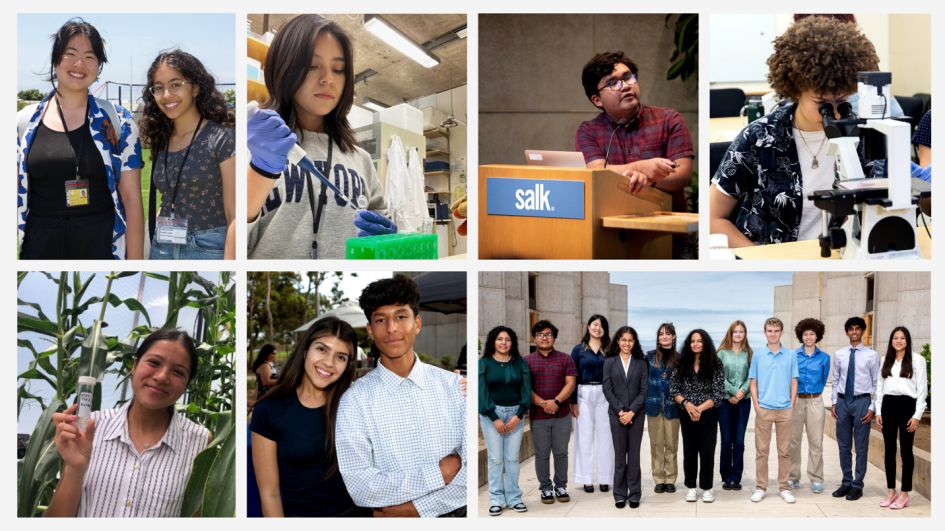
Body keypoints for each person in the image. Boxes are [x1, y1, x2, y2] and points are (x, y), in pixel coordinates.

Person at [710, 16, 880, 247]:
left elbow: (862, 212)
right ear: (796, 89)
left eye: (841, 101)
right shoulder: (759, 137)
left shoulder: (856, 135)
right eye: (821, 103)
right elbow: (713, 218)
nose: (833, 114)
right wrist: (762, 262)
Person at [246, 14, 396, 260]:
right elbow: (228, 247)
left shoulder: (362, 161)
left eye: (338, 69)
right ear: (283, 68)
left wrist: (388, 242)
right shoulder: (253, 150)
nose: (328, 78)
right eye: (313, 66)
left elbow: (384, 231)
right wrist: (259, 172)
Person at [336, 275, 466, 517]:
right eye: (381, 320)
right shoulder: (354, 400)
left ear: (417, 323)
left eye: (401, 317)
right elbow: (361, 487)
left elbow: (473, 473)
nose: (392, 328)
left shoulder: (456, 387)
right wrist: (440, 473)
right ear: (370, 330)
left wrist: (413, 510)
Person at [44, 329, 209, 517]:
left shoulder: (201, 444)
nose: (162, 377)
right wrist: (75, 469)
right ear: (135, 365)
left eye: (178, 372)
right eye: (154, 363)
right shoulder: (88, 429)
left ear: (187, 384)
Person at [17, 18, 144, 259]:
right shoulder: (24, 122)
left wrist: (135, 265)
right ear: (56, 59)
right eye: (70, 53)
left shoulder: (119, 121)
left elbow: (132, 198)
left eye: (90, 56)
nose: (79, 64)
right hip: (40, 245)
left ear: (98, 66)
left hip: (102, 243)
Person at [576, 52, 695, 258]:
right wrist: (639, 168)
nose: (625, 85)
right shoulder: (588, 131)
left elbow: (683, 174)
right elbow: (595, 172)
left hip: (670, 241)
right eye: (613, 83)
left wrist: (649, 180)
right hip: (614, 241)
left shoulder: (668, 119)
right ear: (597, 100)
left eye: (628, 77)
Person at [251, 317, 362, 517]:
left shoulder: (354, 404)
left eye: (341, 357)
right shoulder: (269, 410)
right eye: (321, 349)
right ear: (304, 350)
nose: (329, 363)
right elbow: (270, 494)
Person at [139, 50, 235, 260]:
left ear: (196, 88)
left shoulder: (221, 137)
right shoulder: (161, 139)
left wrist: (231, 270)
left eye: (176, 84)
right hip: (162, 247)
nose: (166, 95)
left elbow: (234, 214)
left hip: (208, 248)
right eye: (159, 88)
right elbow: (170, 197)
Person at [479, 326, 531, 516]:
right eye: (500, 339)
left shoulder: (521, 363)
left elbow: (526, 392)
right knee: (495, 459)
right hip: (491, 415)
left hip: (515, 414)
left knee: (512, 459)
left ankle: (514, 499)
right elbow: (481, 393)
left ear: (512, 343)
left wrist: (518, 416)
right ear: (493, 341)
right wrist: (494, 418)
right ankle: (496, 500)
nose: (503, 343)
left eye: (507, 339)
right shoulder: (484, 363)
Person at [524, 319, 577, 504]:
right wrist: (543, 404)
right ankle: (546, 489)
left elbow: (570, 384)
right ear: (534, 338)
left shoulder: (565, 358)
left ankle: (561, 486)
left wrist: (555, 402)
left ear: (554, 337)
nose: (544, 338)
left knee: (561, 453)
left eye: (548, 334)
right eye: (540, 334)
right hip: (538, 416)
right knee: (542, 454)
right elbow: (525, 388)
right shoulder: (526, 361)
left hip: (562, 415)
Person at [875, 326, 928, 510]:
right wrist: (878, 411)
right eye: (895, 338)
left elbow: (922, 391)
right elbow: (879, 388)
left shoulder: (918, 360)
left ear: (907, 340)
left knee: (906, 451)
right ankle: (891, 491)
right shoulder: (885, 360)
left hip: (907, 407)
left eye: (902, 338)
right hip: (888, 406)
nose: (899, 341)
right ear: (891, 341)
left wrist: (917, 416)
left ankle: (904, 493)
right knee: (889, 451)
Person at [748, 318, 799, 504]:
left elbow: (794, 381)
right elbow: (753, 383)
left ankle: (784, 488)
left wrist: (791, 405)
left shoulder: (791, 355)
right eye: (769, 330)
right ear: (765, 333)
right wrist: (757, 406)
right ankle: (761, 487)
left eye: (776, 330)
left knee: (784, 452)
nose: (773, 334)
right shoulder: (758, 356)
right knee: (762, 452)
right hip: (764, 410)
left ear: (782, 333)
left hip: (785, 409)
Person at [670, 329, 723, 503]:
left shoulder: (715, 363)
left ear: (705, 343)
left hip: (708, 414)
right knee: (690, 451)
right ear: (688, 344)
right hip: (686, 413)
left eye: (699, 341)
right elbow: (673, 390)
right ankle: (691, 487)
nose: (696, 344)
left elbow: (718, 394)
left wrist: (698, 409)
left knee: (707, 451)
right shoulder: (680, 363)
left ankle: (707, 488)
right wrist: (688, 405)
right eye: (693, 341)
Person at [830, 316, 880, 501]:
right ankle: (846, 482)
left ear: (863, 331)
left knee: (861, 446)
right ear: (846, 332)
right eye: (851, 329)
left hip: (862, 402)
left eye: (857, 328)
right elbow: (835, 380)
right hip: (843, 402)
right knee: (843, 446)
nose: (854, 332)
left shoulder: (872, 355)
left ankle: (857, 485)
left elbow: (877, 383)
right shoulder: (840, 354)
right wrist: (834, 402)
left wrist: (873, 407)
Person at [601, 326, 648, 509]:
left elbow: (644, 391)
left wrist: (632, 412)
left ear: (634, 342)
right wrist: (621, 410)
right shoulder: (609, 362)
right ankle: (620, 494)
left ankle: (635, 494)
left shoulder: (642, 362)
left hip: (637, 415)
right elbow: (607, 389)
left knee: (634, 456)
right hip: (616, 415)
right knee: (620, 457)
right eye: (623, 339)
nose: (626, 343)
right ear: (618, 341)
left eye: (630, 340)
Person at [570, 314, 613, 493]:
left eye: (602, 325)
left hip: (605, 393)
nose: (598, 328)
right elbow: (572, 377)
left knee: (606, 437)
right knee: (584, 436)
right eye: (595, 324)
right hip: (583, 392)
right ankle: (586, 479)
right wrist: (572, 402)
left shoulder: (610, 349)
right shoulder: (578, 350)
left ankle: (605, 479)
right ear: (588, 326)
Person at [788, 318, 830, 493]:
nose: (809, 337)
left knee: (816, 442)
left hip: (815, 400)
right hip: (796, 400)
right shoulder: (793, 356)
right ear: (801, 335)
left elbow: (824, 378)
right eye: (805, 334)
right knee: (793, 441)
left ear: (817, 335)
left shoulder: (825, 358)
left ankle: (816, 478)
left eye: (812, 334)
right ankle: (793, 477)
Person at [717, 320, 753, 491]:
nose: (738, 334)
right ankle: (726, 476)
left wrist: (741, 393)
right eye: (735, 331)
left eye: (741, 331)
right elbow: (718, 377)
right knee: (726, 441)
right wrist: (733, 392)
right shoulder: (721, 353)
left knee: (739, 441)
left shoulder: (749, 353)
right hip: (724, 402)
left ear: (745, 334)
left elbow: (752, 376)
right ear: (730, 333)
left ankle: (736, 477)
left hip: (744, 402)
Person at [645, 323, 680, 493]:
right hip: (653, 405)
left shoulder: (680, 359)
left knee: (672, 444)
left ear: (674, 336)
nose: (664, 336)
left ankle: (671, 478)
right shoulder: (649, 357)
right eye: (661, 334)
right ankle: (659, 479)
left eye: (668, 333)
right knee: (656, 443)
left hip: (673, 407)